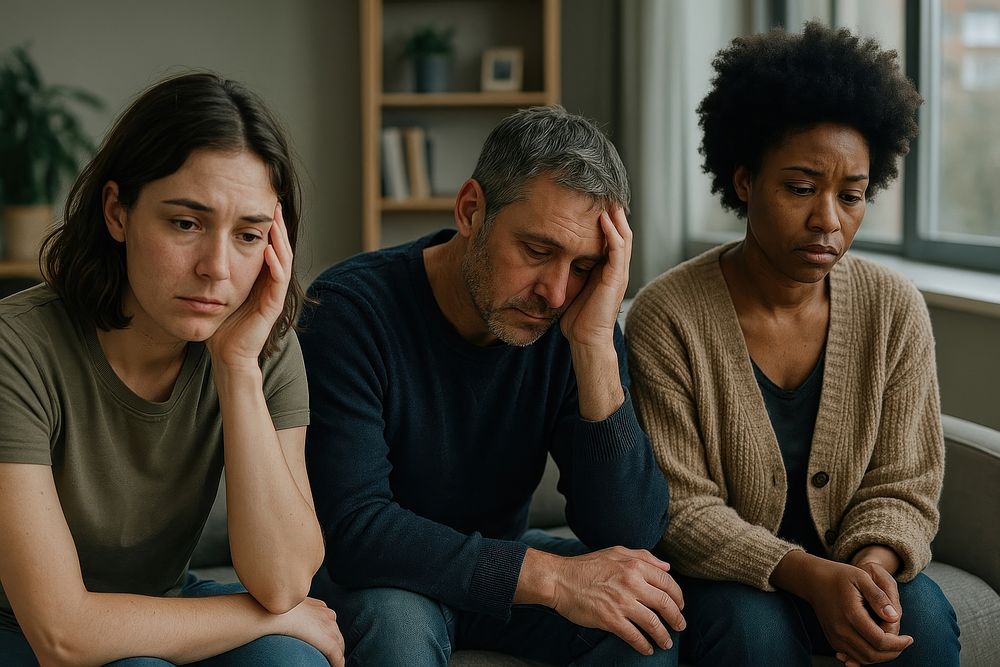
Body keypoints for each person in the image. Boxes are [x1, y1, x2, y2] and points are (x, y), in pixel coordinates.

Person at [626, 22, 960, 667]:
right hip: (730, 580)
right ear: (745, 181)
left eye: (852, 195)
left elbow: (906, 483)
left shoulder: (894, 310)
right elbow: (678, 507)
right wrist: (808, 576)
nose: (828, 220)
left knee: (923, 624)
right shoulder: (669, 315)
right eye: (801, 189)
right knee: (753, 636)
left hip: (853, 560)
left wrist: (870, 567)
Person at [300, 105, 684, 666]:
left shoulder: (576, 323)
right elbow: (357, 532)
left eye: (582, 266)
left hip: (501, 562)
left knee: (643, 624)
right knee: (398, 630)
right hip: (379, 577)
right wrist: (552, 579)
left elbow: (628, 533)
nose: (554, 293)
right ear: (471, 210)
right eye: (538, 251)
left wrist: (596, 347)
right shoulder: (347, 312)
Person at [0, 73, 344, 666]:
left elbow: (285, 582)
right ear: (117, 212)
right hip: (20, 628)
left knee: (291, 660)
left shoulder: (262, 344)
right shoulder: (17, 346)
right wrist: (260, 615)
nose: (216, 268)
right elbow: (62, 634)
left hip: (160, 606)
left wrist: (237, 368)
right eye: (186, 223)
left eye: (248, 235)